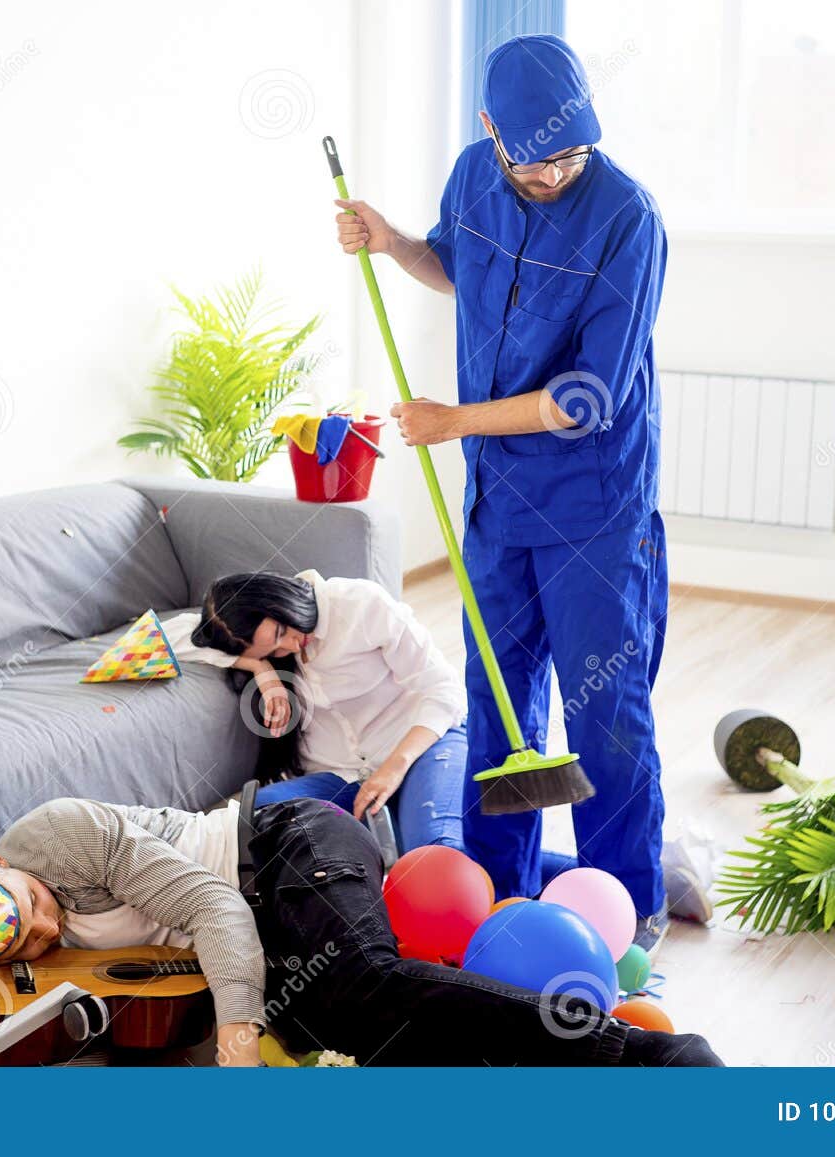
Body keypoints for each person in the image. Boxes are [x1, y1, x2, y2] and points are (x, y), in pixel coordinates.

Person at [332, 34, 671, 950]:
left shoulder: (627, 217)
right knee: (501, 705)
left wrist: (455, 423)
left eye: (572, 153)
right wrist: (392, 241)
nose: (557, 172)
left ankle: (625, 916)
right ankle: (498, 909)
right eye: (537, 157)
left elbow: (587, 397)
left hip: (593, 503)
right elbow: (453, 262)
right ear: (489, 131)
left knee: (605, 713)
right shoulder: (473, 176)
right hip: (497, 501)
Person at [0, 795, 722, 1067]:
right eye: (27, 941)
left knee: (362, 984)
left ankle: (650, 1055)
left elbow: (213, 909)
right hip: (269, 928)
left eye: (29, 901)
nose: (44, 925)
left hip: (283, 848)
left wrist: (238, 1029)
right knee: (347, 1030)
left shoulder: (56, 832)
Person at [164, 570, 571, 878]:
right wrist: (260, 668)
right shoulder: (268, 649)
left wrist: (392, 772)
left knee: (434, 858)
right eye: (274, 649)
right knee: (247, 823)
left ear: (280, 598)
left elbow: (443, 691)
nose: (290, 646)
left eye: (284, 631)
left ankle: (570, 879)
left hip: (420, 751)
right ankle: (386, 845)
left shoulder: (359, 604)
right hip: (340, 776)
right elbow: (167, 635)